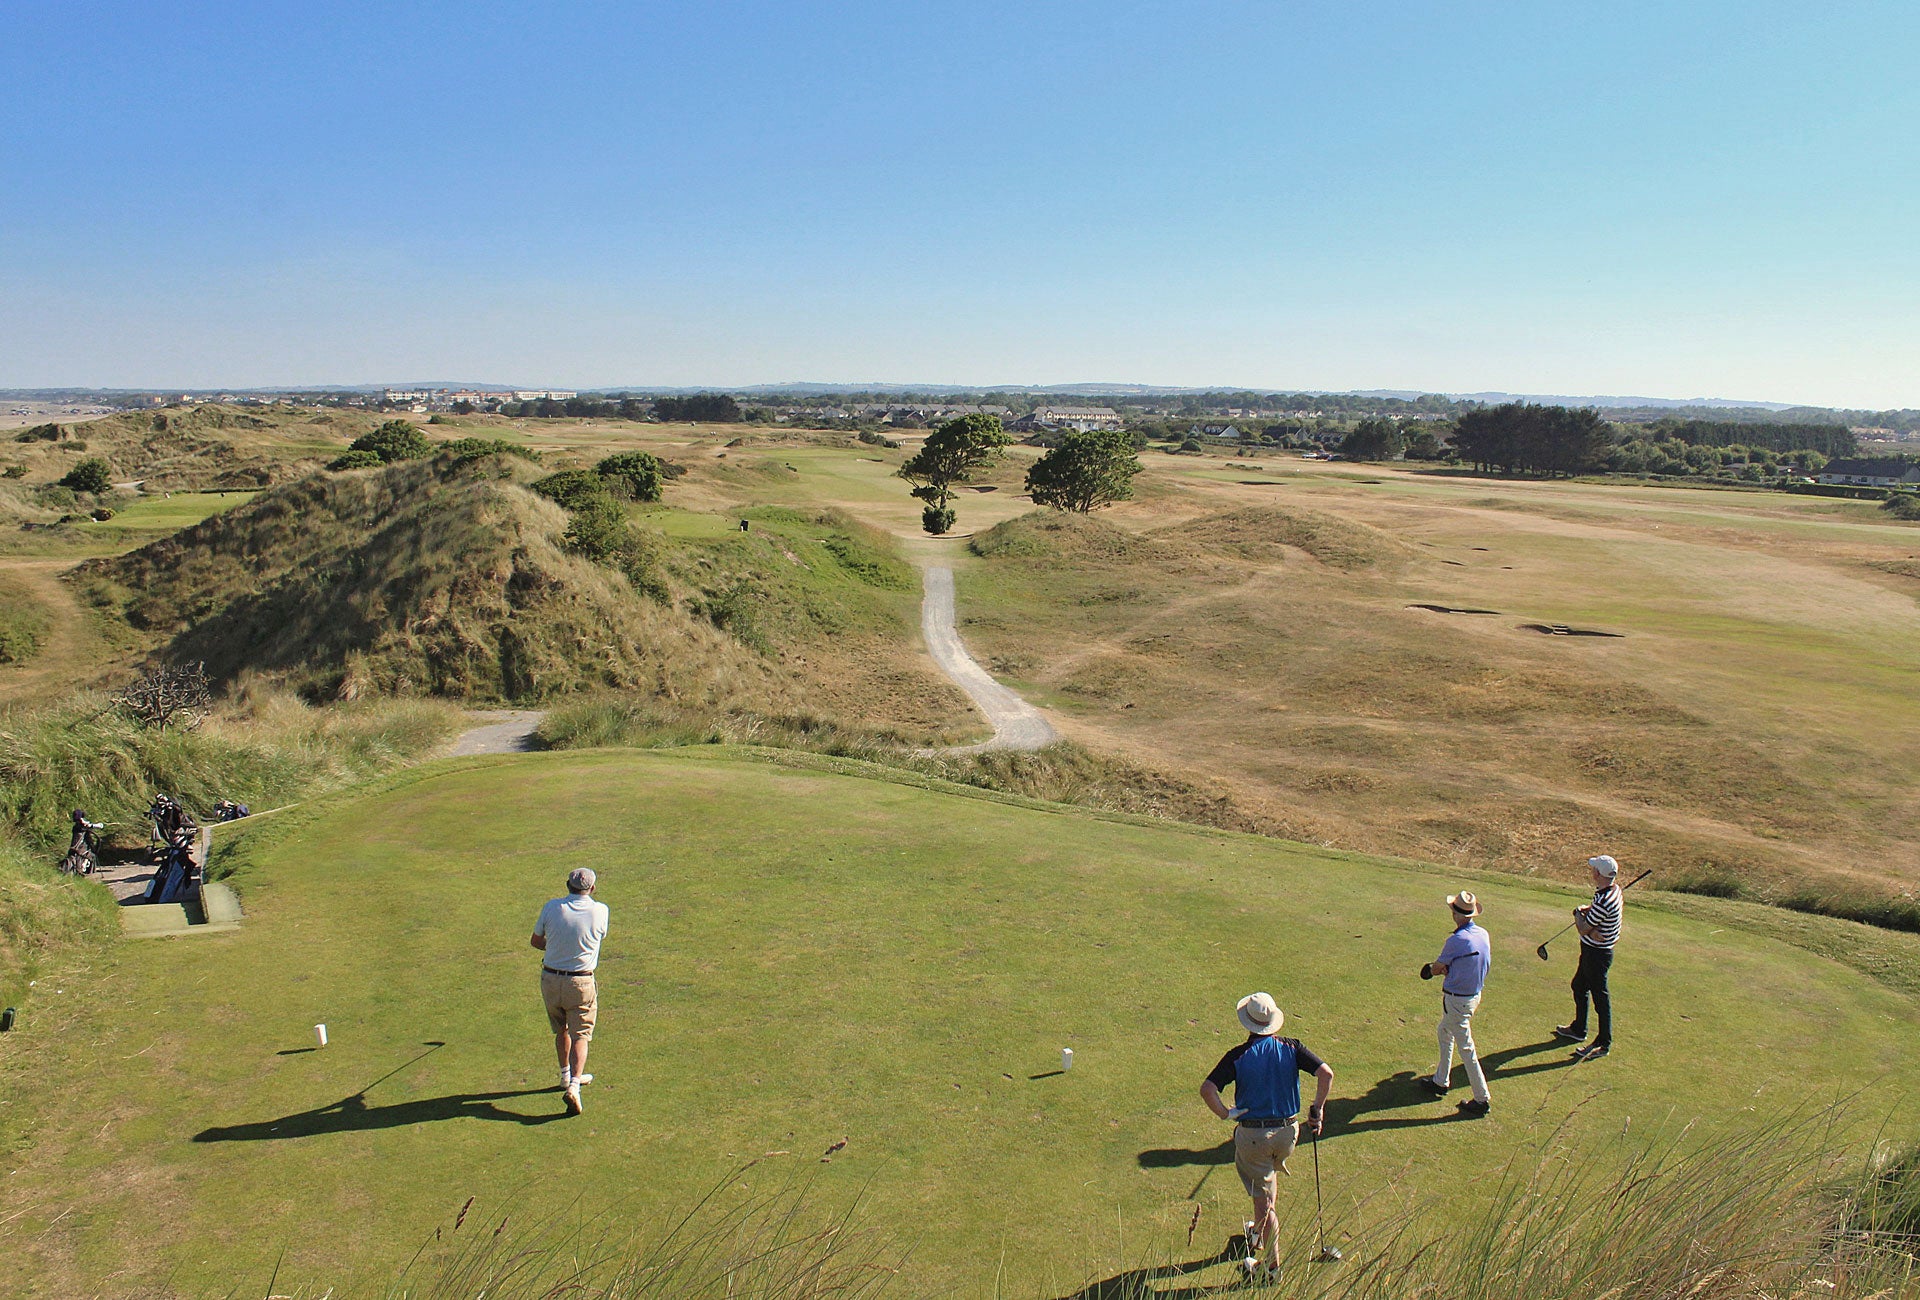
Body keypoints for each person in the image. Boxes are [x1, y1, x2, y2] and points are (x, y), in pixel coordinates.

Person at [1199, 992, 1335, 1281]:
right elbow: (1326, 1074)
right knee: (1266, 1181)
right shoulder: (1292, 1047)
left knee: (1264, 1203)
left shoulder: (1237, 1055)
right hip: (1288, 1133)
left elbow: (1208, 1090)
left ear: (1249, 1023)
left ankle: (1271, 1268)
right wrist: (1317, 1110)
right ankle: (1258, 1231)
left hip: (1253, 1138)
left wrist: (1226, 1114)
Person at [531, 867, 610, 1115]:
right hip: (581, 983)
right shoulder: (600, 910)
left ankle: (566, 1075)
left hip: (551, 979)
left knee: (560, 1028)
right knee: (581, 1034)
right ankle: (574, 1086)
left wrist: (557, 948)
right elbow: (598, 937)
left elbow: (536, 941)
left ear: (568, 885)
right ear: (592, 888)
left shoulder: (552, 907)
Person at [1418, 891, 1492, 1116]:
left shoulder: (1457, 939)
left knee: (1466, 1048)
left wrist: (1429, 971)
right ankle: (1441, 1080)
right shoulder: (1482, 933)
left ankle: (1482, 1099)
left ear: (1454, 913)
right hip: (1473, 996)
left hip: (1457, 1000)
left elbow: (1437, 967)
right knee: (1444, 1031)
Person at [1554, 855, 1623, 1062]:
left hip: (1597, 954)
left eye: (1593, 869)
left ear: (1597, 874)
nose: (1591, 871)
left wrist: (1577, 912)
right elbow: (1592, 923)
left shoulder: (1603, 900)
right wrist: (1589, 912)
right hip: (1594, 950)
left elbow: (1583, 929)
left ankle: (1603, 1042)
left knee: (1600, 997)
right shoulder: (1613, 891)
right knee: (1579, 986)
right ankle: (1578, 1028)